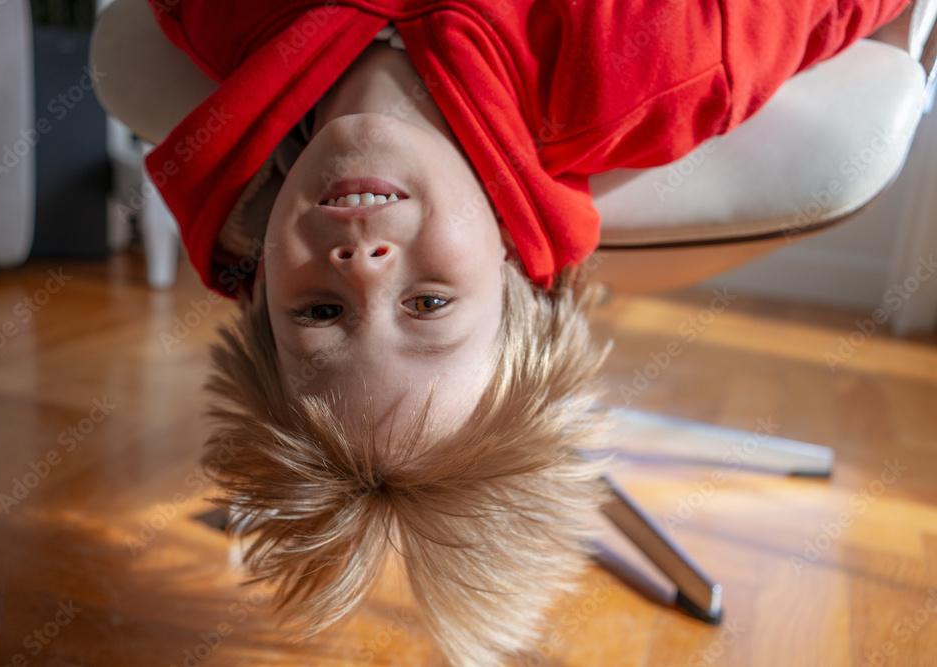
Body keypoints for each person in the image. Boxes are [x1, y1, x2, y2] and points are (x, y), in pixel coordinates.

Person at [93, 1, 911, 664]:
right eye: (428, 306)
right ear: (514, 273)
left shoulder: (228, 21)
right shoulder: (650, 57)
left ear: (264, 279)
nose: (364, 265)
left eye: (319, 312)